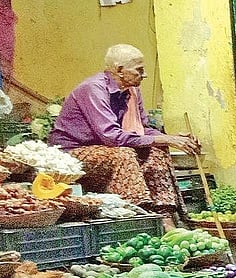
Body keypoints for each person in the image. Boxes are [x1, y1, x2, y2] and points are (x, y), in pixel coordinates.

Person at [48, 44, 199, 222]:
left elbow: (141, 130)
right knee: (124, 155)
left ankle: (164, 217)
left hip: (105, 149)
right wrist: (164, 138)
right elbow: (111, 137)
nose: (145, 75)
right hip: (72, 153)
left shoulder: (132, 91)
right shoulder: (93, 89)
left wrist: (173, 139)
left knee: (157, 152)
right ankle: (138, 216)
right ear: (120, 70)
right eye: (139, 70)